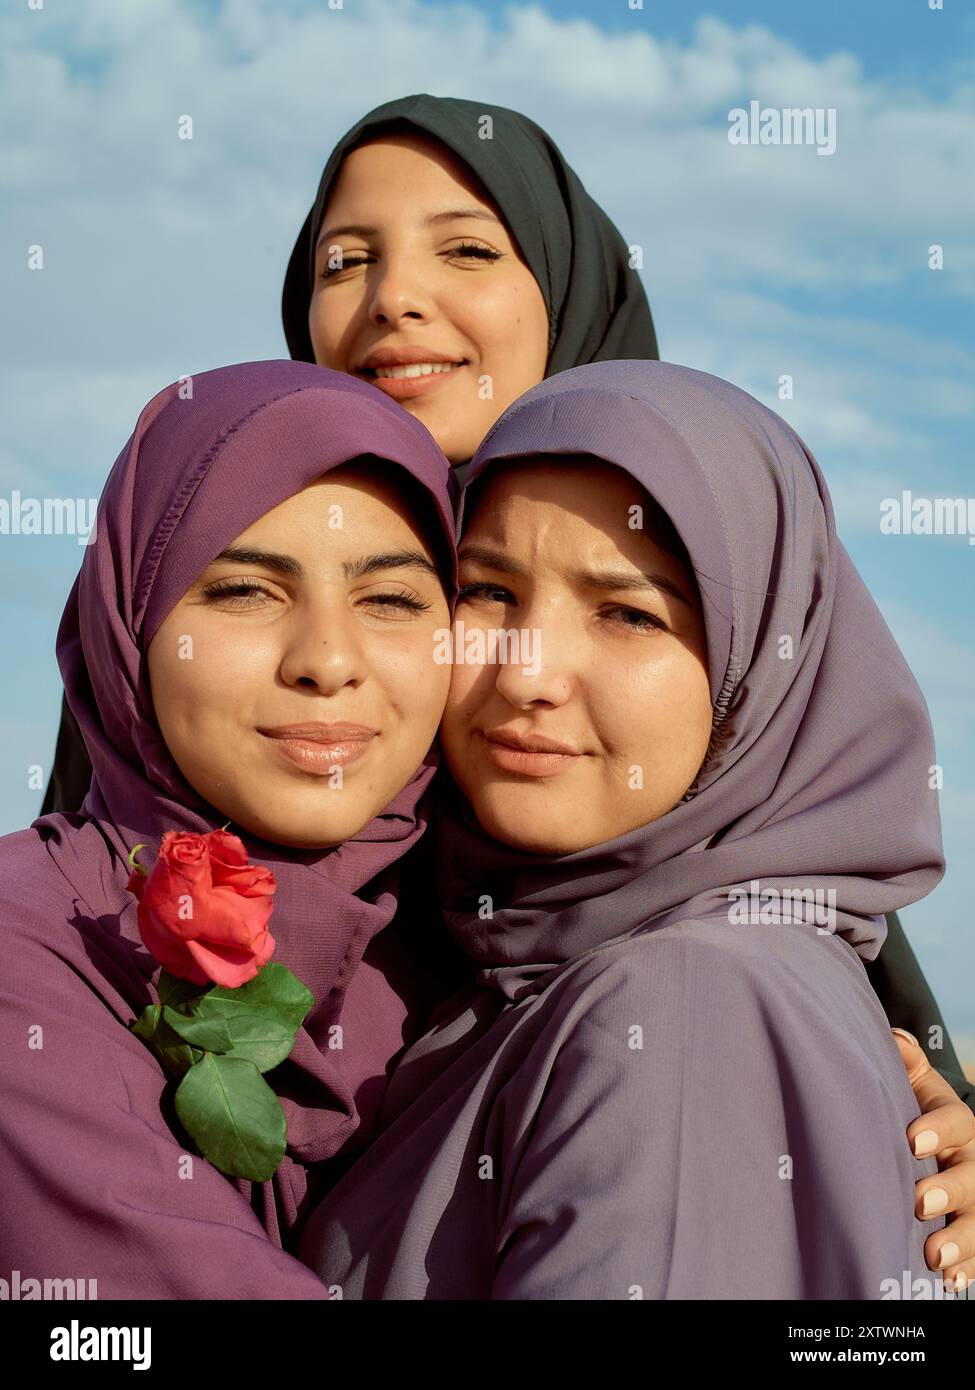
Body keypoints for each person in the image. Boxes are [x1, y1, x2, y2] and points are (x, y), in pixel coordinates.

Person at [34, 94, 975, 1229]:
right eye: (346, 260)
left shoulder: (715, 716)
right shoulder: (211, 621)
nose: (394, 298)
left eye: (468, 248)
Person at [297, 360, 955, 1299]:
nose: (528, 674)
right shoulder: (517, 968)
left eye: (627, 613)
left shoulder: (688, 1004)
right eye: (487, 592)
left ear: (754, 674)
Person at [0, 359, 465, 1298]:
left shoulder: (488, 936)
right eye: (245, 591)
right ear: (128, 620)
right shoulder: (32, 945)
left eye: (391, 600)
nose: (327, 661)